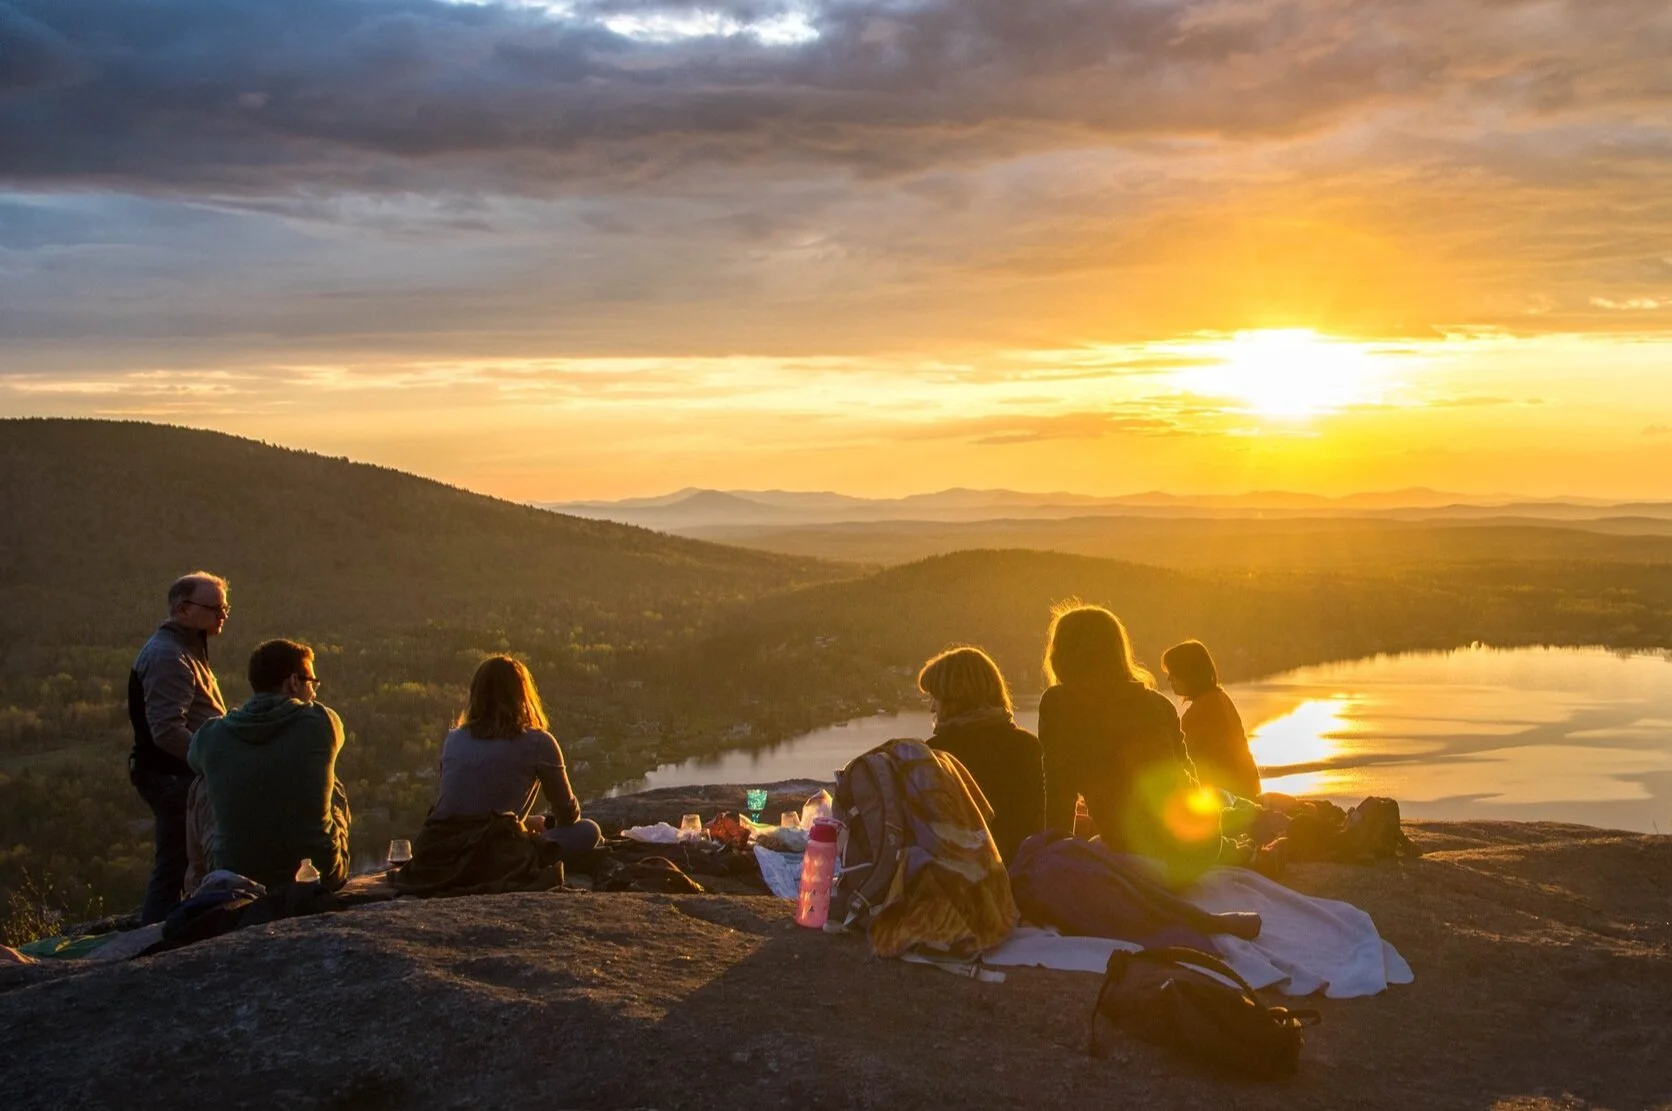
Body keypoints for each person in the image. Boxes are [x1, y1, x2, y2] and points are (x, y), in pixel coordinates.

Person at [1037, 603, 1220, 884]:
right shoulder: (1159, 703)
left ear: (1062, 654)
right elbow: (1189, 779)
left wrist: (1055, 862)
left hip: (1145, 852)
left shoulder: (1060, 703)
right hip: (1202, 846)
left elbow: (1059, 791)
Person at [188, 639, 352, 892]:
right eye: (312, 682)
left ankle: (200, 889)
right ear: (293, 682)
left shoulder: (211, 734)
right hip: (319, 874)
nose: (314, 692)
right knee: (331, 779)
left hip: (235, 875)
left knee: (200, 783)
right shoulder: (323, 722)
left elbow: (192, 760)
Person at [128, 571, 229, 923]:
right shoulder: (168, 656)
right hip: (173, 776)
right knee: (175, 862)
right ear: (183, 609)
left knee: (183, 861)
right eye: (214, 607)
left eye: (225, 607)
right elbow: (167, 731)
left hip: (178, 773)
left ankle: (167, 929)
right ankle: (156, 936)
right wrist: (211, 761)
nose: (222, 614)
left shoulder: (186, 648)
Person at [431, 656, 601, 856]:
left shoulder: (454, 739)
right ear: (522, 694)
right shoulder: (538, 742)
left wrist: (526, 822)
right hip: (496, 854)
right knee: (588, 831)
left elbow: (471, 808)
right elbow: (568, 816)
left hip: (444, 849)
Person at [917, 646, 1044, 864]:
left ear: (955, 698)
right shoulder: (1028, 746)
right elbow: (1040, 824)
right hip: (1024, 869)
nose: (932, 709)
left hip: (962, 876)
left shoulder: (936, 754)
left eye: (935, 698)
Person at [1162, 639, 1262, 802]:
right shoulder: (1219, 698)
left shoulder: (1201, 711)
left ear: (1187, 674)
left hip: (1230, 797)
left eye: (1173, 673)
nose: (1169, 679)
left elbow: (1183, 760)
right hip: (1247, 789)